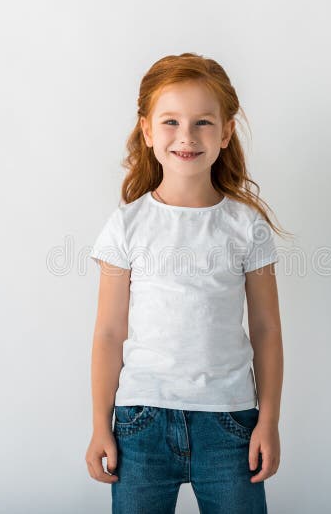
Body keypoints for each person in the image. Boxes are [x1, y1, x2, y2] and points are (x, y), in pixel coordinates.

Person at [84, 52, 290, 514]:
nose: (186, 137)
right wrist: (102, 423)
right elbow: (109, 333)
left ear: (226, 131)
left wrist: (269, 420)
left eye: (202, 122)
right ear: (147, 129)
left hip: (231, 424)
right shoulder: (126, 227)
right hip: (140, 424)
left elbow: (267, 330)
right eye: (171, 121)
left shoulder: (246, 227)